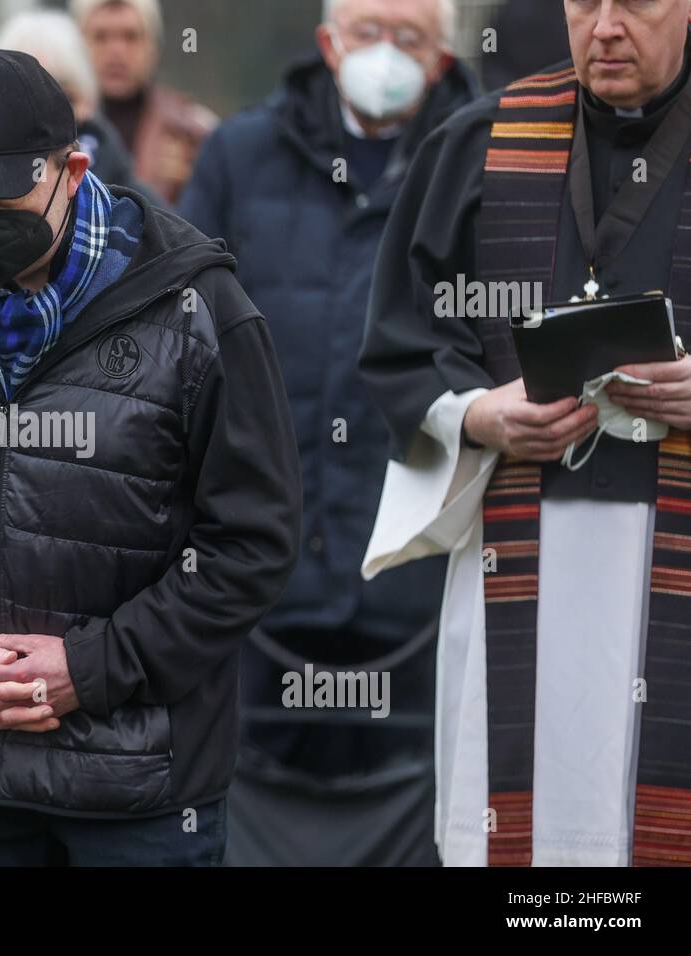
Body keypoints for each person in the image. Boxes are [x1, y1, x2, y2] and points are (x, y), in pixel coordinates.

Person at [0, 48, 300, 866]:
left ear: (72, 168)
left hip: (139, 789)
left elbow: (250, 542)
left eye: (0, 195)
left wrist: (89, 668)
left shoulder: (198, 309)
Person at [360, 0, 691, 866]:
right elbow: (400, 341)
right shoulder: (482, 142)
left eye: (637, 3)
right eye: (587, 3)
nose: (607, 26)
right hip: (520, 556)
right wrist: (475, 413)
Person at [178, 0, 473, 866]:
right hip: (265, 566)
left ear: (444, 58)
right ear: (327, 44)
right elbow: (182, 324)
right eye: (367, 32)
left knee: (421, 810)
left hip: (418, 564)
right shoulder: (239, 155)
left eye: (409, 37)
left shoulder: (483, 159)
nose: (385, 54)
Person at [0, 8, 161, 240]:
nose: (42, 113)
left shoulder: (115, 169)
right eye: (20, 97)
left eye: (60, 95)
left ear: (85, 100)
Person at [70, 0, 217, 204]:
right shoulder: (61, 126)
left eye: (131, 37)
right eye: (101, 37)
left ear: (153, 45)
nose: (116, 51)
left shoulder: (193, 131)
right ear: (77, 44)